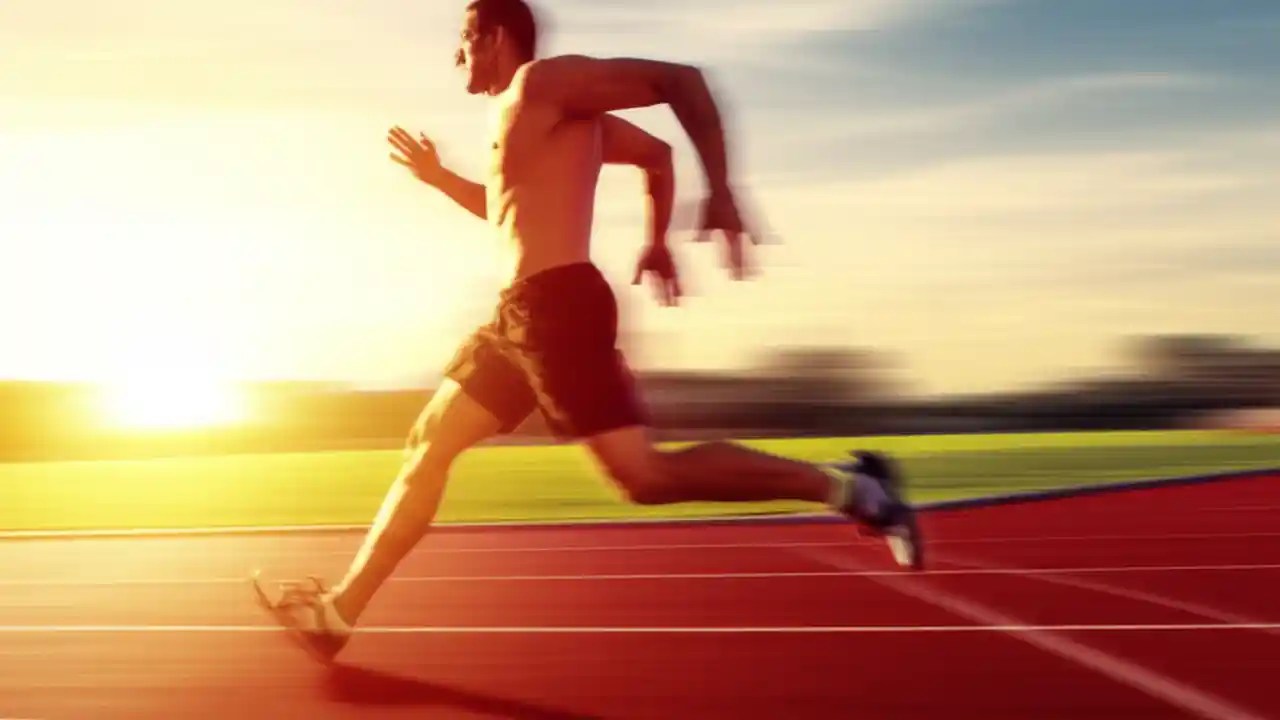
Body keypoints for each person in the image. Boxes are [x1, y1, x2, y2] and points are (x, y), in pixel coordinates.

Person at [253, 0, 923, 664]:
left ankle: (857, 489)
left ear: (492, 37)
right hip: (517, 316)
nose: (455, 55)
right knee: (428, 443)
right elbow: (556, 192)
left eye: (462, 40)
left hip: (558, 311)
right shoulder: (532, 117)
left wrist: (720, 189)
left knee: (646, 478)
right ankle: (337, 614)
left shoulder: (543, 83)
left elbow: (680, 82)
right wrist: (443, 181)